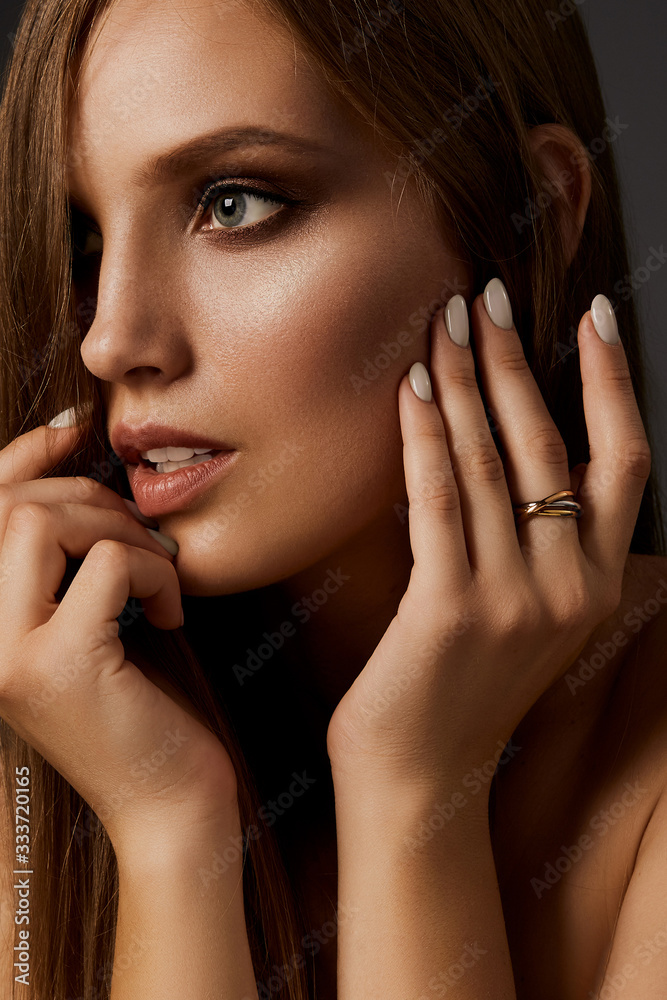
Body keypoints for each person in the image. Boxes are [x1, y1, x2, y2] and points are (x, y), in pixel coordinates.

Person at [0, 0, 665, 997]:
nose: (110, 338)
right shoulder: (53, 725)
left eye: (233, 203)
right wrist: (167, 828)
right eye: (83, 239)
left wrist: (413, 792)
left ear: (528, 221)